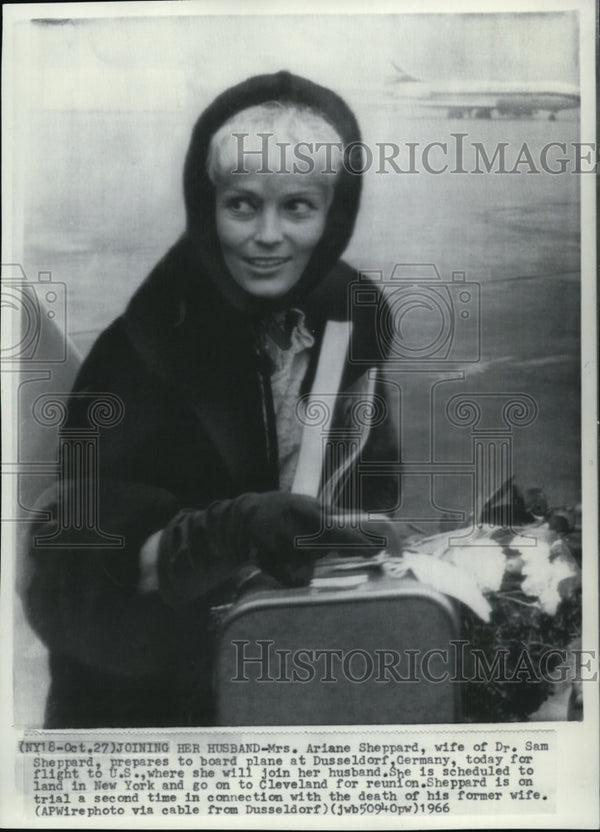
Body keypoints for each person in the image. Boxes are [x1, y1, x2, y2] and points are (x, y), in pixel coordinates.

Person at [24, 71, 399, 728]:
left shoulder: (347, 329)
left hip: (288, 669)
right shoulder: (141, 351)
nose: (268, 236)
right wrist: (229, 533)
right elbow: (69, 582)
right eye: (244, 204)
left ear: (333, 215)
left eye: (299, 207)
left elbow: (369, 489)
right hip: (148, 705)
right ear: (209, 206)